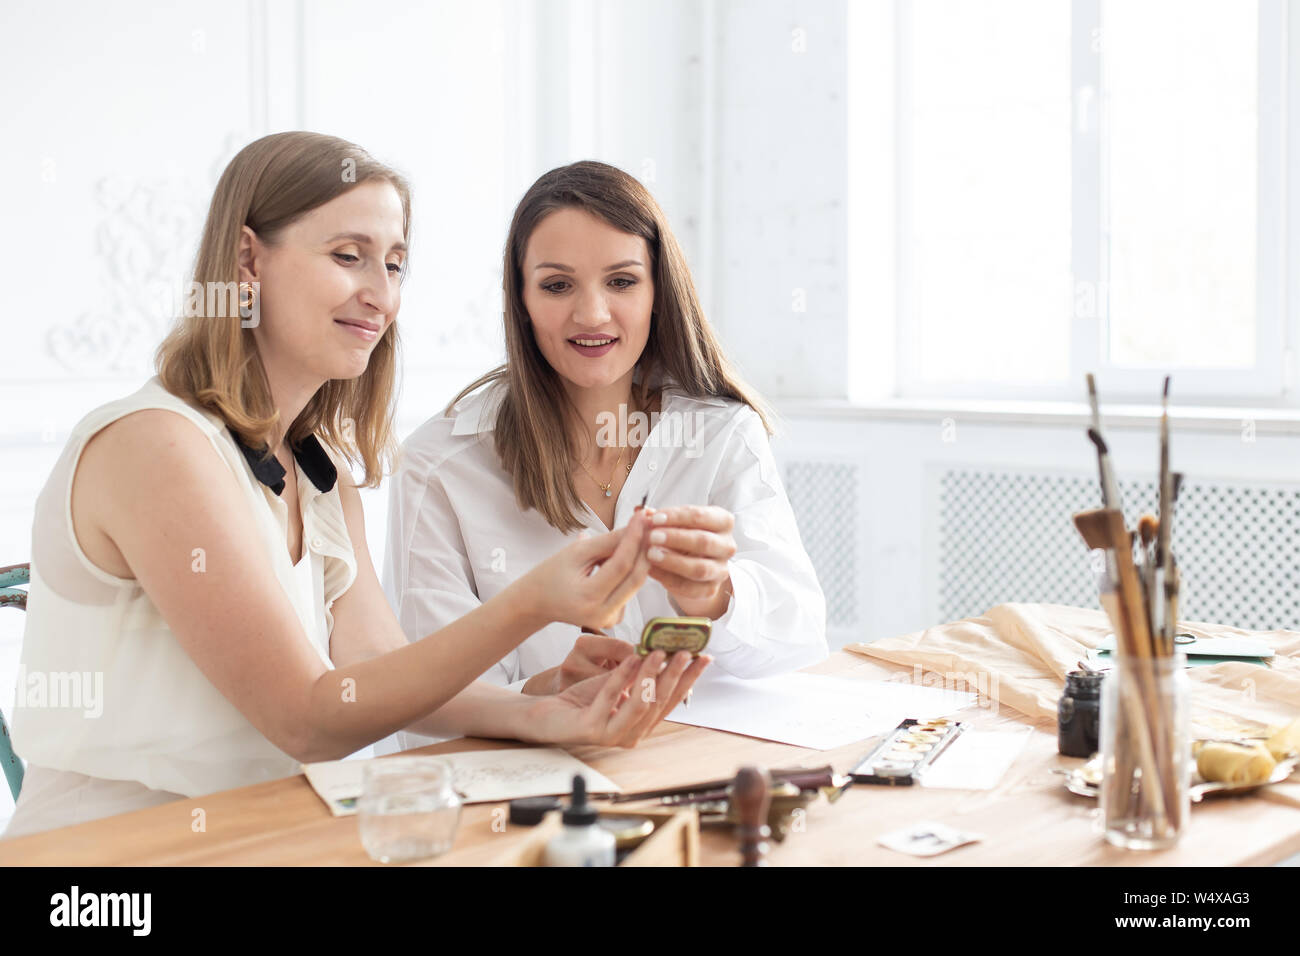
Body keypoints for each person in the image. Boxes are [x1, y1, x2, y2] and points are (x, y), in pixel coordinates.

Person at [4, 134, 706, 839]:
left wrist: (541, 709)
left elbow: (373, 669)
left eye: (395, 264)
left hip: (264, 837)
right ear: (247, 260)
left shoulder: (316, 468)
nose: (382, 295)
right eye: (349, 257)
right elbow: (309, 717)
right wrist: (533, 603)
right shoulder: (155, 445)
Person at [382, 160, 825, 752]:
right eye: (557, 285)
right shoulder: (440, 465)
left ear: (657, 292)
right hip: (527, 794)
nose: (591, 315)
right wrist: (551, 690)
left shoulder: (719, 434)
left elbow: (799, 635)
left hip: (694, 765)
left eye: (621, 281)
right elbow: (423, 703)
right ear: (520, 298)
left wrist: (714, 597)